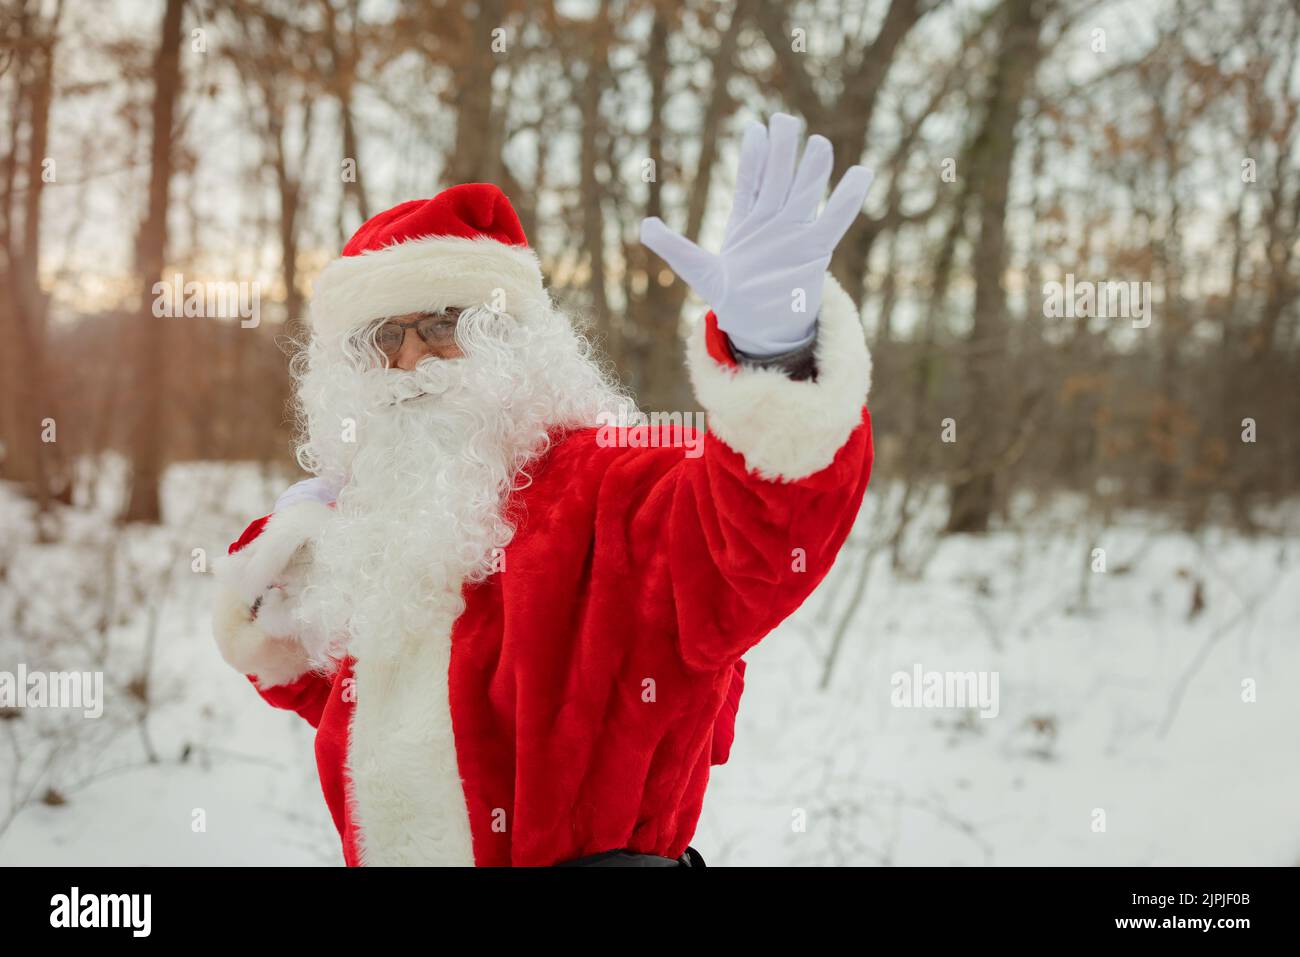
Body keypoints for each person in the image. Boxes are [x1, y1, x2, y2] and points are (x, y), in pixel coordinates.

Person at [211, 113, 876, 866]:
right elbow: (354, 695)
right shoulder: (383, 520)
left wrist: (776, 356)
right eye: (381, 340)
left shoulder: (610, 480)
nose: (410, 363)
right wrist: (286, 563)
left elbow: (754, 536)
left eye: (439, 324)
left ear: (513, 338)